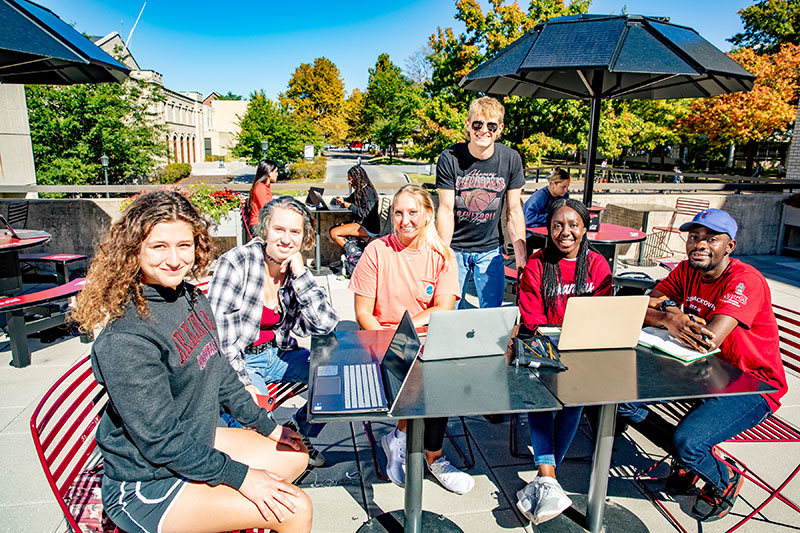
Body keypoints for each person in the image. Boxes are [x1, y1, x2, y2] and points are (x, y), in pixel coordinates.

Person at [72, 191, 312, 533]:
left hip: (193, 440)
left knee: (295, 453)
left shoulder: (190, 298)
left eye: (184, 245)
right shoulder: (127, 339)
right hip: (148, 482)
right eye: (159, 247)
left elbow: (221, 372)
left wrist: (268, 426)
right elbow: (160, 442)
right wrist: (241, 478)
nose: (174, 259)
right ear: (133, 249)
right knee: (294, 508)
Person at [619, 208, 787, 522]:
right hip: (702, 373)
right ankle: (686, 461)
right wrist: (670, 313)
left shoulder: (744, 280)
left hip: (751, 385)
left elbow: (707, 340)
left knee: (688, 442)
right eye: (694, 236)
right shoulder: (686, 270)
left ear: (730, 246)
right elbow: (642, 305)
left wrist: (667, 315)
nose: (700, 244)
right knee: (620, 400)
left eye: (711, 238)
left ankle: (723, 478)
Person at [348, 184, 475, 495]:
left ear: (428, 215)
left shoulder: (442, 255)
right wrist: (393, 339)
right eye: (398, 213)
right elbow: (363, 312)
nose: (404, 220)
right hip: (384, 337)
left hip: (428, 338)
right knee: (419, 376)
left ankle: (415, 447)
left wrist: (408, 329)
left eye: (412, 212)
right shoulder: (377, 251)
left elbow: (443, 307)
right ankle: (422, 450)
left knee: (447, 373)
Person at [208, 196, 339, 468]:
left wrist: (302, 276)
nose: (286, 239)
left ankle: (300, 433)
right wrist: (244, 387)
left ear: (304, 238)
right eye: (279, 230)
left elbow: (325, 325)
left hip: (277, 355)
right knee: (259, 429)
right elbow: (223, 344)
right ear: (264, 230)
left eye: (295, 232)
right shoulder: (236, 264)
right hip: (240, 361)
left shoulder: (294, 271)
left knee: (337, 380)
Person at [515, 197, 613, 524]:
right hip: (542, 343)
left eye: (573, 225)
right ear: (548, 229)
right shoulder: (537, 264)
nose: (565, 232)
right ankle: (548, 475)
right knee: (538, 389)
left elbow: (601, 312)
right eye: (558, 225)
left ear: (585, 229)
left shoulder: (598, 265)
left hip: (582, 346)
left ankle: (546, 476)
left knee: (576, 394)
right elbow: (531, 316)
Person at [436, 95, 527, 311]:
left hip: (490, 249)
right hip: (456, 247)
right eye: (477, 124)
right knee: (448, 311)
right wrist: (442, 253)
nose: (483, 130)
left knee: (491, 313)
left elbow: (513, 211)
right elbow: (446, 210)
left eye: (491, 125)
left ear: (500, 128)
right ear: (468, 125)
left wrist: (522, 257)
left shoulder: (511, 158)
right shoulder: (449, 157)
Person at [329, 165, 380, 248]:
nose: (349, 182)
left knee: (334, 233)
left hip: (369, 227)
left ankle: (355, 254)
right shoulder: (359, 191)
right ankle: (353, 250)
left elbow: (366, 214)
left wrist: (349, 206)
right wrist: (341, 200)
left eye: (351, 179)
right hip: (361, 224)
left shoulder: (369, 192)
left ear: (357, 178)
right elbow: (349, 200)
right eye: (348, 179)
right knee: (336, 227)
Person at [245, 159, 279, 239]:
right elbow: (266, 208)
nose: (277, 174)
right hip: (258, 225)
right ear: (269, 173)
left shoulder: (265, 187)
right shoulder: (260, 188)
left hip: (262, 225)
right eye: (275, 172)